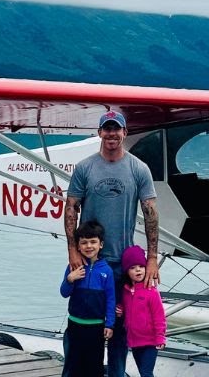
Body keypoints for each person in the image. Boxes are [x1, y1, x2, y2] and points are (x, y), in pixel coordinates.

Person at [64, 109, 160, 377]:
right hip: (90, 262)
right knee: (80, 324)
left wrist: (152, 258)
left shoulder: (138, 169)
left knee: (119, 328)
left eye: (116, 129)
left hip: (122, 264)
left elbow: (151, 212)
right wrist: (73, 249)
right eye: (106, 129)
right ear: (99, 133)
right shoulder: (85, 168)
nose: (111, 134)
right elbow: (71, 208)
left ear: (124, 133)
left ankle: (117, 373)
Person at [59, 220, 116, 376]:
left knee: (94, 366)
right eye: (84, 243)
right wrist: (70, 279)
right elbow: (64, 293)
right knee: (73, 364)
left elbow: (111, 300)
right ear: (77, 246)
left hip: (96, 326)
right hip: (75, 325)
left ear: (101, 244)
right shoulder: (73, 266)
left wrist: (109, 324)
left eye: (93, 242)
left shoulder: (107, 271)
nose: (89, 246)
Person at [119, 245, 166, 377]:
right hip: (134, 342)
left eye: (141, 266)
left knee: (146, 373)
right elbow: (126, 307)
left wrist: (160, 337)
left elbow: (159, 317)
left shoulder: (152, 292)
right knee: (142, 372)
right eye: (132, 268)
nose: (138, 270)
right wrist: (120, 310)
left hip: (150, 342)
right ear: (127, 272)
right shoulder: (126, 291)